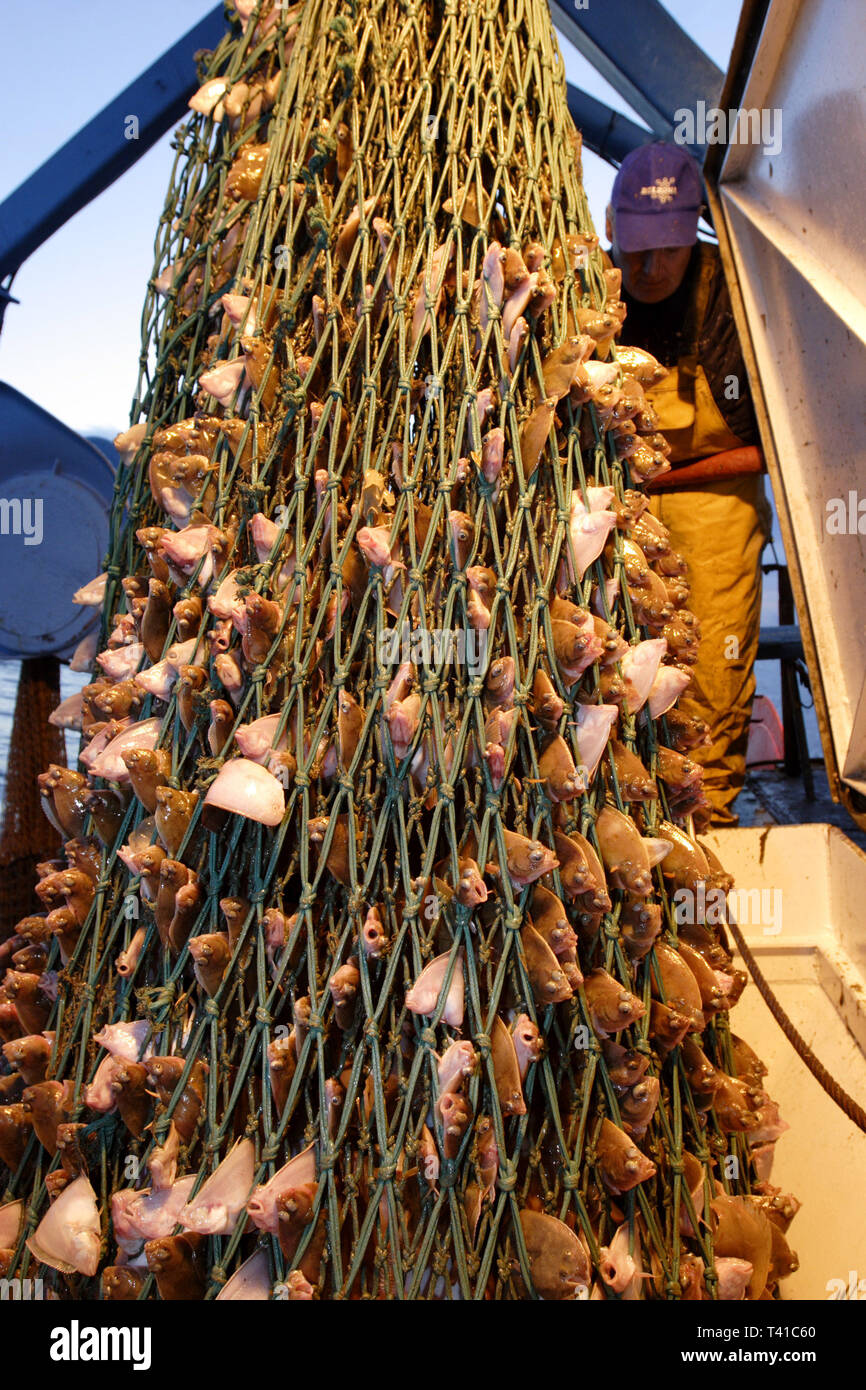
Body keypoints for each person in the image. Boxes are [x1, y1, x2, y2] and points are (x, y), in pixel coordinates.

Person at [605, 141, 771, 826]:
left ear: (692, 230)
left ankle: (708, 840)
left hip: (712, 499)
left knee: (707, 676)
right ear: (611, 227)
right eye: (636, 248)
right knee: (613, 672)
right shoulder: (599, 295)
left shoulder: (730, 298)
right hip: (621, 499)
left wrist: (667, 474)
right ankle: (630, 847)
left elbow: (771, 448)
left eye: (666, 251)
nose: (648, 268)